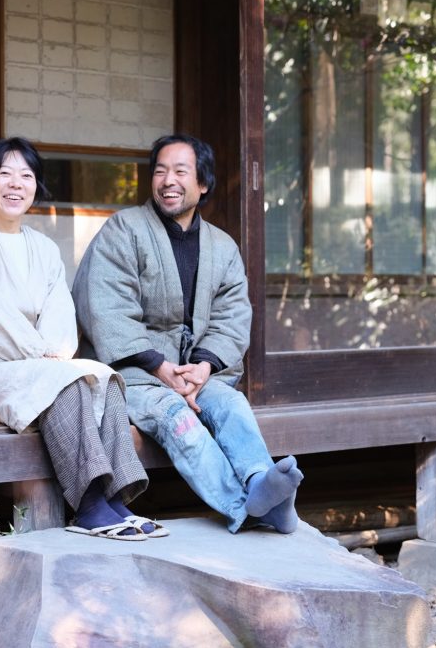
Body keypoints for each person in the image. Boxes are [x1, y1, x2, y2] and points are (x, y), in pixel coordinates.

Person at [0, 137, 167, 540]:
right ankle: (90, 506)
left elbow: (60, 309)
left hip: (38, 363)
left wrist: (56, 353)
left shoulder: (42, 247)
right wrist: (42, 358)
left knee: (101, 375)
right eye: (3, 173)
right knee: (64, 381)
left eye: (25, 175)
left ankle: (115, 499)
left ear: (35, 188)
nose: (14, 184)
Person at [72, 134, 302, 534]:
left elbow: (232, 316)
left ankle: (261, 483)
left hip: (195, 374)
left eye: (181, 171)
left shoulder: (222, 246)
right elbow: (107, 308)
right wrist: (161, 368)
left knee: (231, 405)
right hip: (135, 375)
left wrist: (202, 368)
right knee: (176, 417)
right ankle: (249, 507)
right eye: (160, 171)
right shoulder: (123, 230)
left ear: (203, 183)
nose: (168, 180)